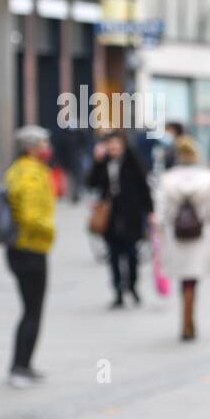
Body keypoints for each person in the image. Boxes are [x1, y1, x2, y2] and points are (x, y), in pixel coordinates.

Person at [5, 126, 56, 388]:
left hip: (21, 248)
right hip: (31, 247)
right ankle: (19, 367)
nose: (48, 148)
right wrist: (49, 228)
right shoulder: (31, 174)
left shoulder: (18, 170)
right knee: (32, 310)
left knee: (30, 309)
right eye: (44, 144)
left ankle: (24, 364)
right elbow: (29, 215)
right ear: (31, 147)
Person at [157, 136, 210, 341]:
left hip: (176, 234)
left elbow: (161, 212)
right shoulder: (209, 178)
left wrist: (160, 231)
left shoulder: (167, 179)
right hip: (200, 234)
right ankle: (189, 318)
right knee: (193, 279)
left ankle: (185, 319)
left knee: (183, 278)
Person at [88, 130, 154, 308]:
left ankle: (132, 286)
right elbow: (91, 182)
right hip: (110, 215)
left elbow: (144, 188)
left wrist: (150, 211)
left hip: (131, 213)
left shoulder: (133, 162)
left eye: (117, 145)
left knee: (132, 254)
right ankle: (117, 291)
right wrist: (97, 161)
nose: (114, 148)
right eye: (110, 145)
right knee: (114, 255)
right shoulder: (103, 163)